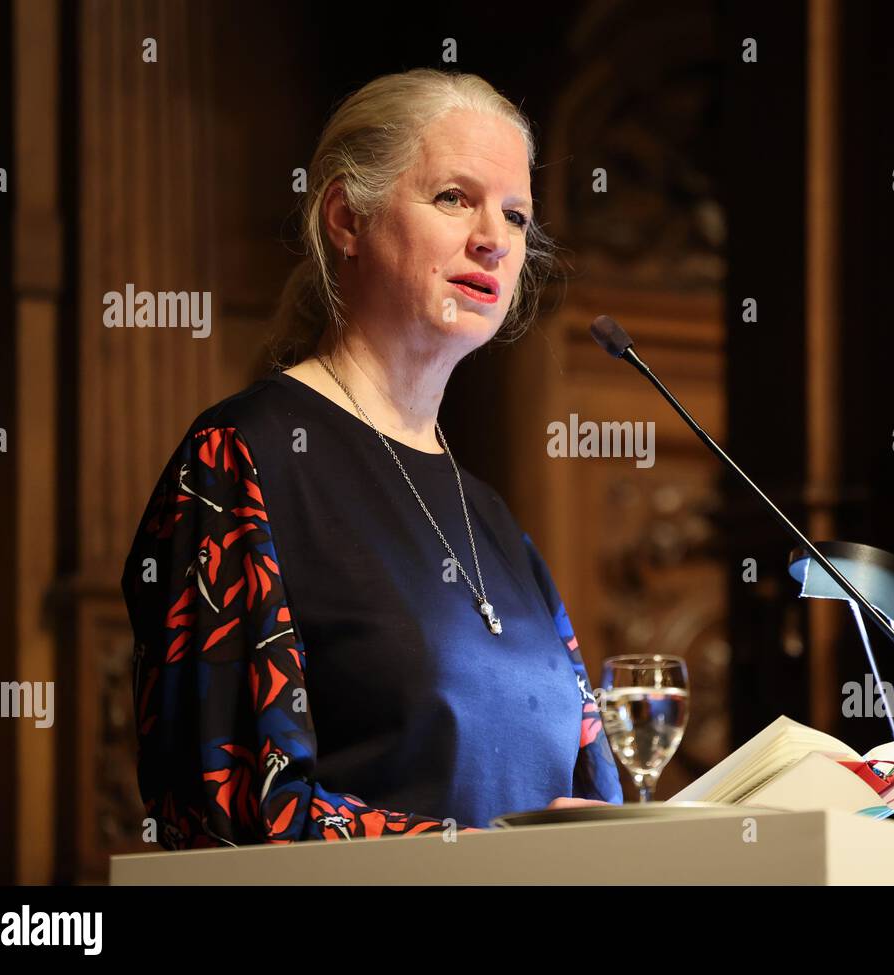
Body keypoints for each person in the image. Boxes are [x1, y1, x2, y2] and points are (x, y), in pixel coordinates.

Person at [122, 69, 621, 849]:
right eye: (454, 197)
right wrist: (495, 856)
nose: (494, 236)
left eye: (516, 214)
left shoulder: (489, 515)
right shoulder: (241, 461)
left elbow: (594, 803)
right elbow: (230, 815)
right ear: (346, 217)